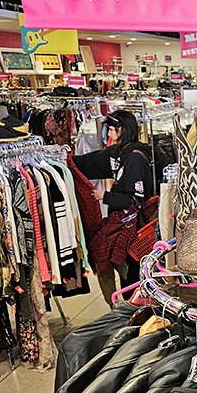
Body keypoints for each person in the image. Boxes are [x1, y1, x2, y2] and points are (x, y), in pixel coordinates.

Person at [72, 110, 154, 305]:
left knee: (132, 277)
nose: (107, 134)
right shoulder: (118, 154)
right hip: (123, 226)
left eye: (110, 130)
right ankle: (123, 309)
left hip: (134, 230)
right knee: (119, 269)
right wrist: (63, 161)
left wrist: (105, 196)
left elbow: (136, 200)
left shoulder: (135, 158)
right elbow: (89, 163)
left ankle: (131, 313)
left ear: (121, 130)